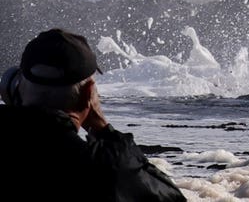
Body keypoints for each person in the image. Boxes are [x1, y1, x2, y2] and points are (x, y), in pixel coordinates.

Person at [0, 28, 185, 201]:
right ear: (89, 93)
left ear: (15, 88)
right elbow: (171, 196)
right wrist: (105, 131)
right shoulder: (105, 170)